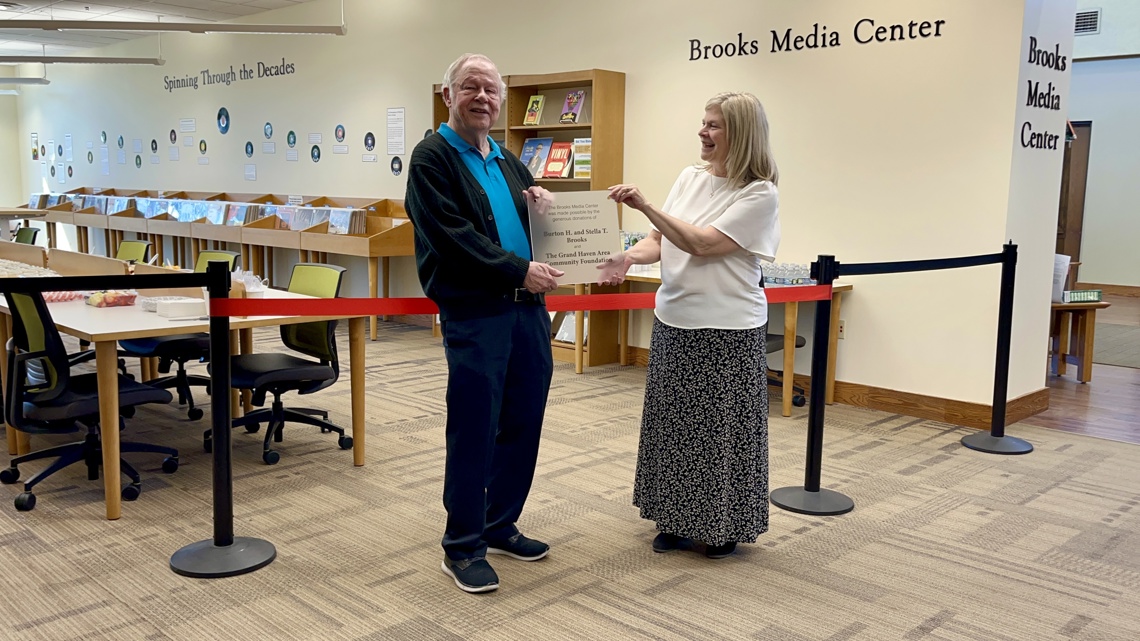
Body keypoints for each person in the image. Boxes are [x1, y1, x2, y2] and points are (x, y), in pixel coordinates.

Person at [405, 53, 564, 594]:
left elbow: (532, 228)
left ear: (501, 99)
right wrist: (519, 269)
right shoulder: (431, 158)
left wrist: (543, 206)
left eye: (491, 89)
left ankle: (500, 525)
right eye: (470, 87)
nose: (482, 97)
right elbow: (452, 237)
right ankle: (463, 546)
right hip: (477, 313)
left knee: (523, 420)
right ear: (448, 95)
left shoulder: (508, 160)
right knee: (475, 427)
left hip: (527, 311)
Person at [598, 92, 781, 559]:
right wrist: (627, 256)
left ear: (741, 134)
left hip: (727, 330)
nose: (703, 132)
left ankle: (721, 527)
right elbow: (659, 241)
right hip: (673, 320)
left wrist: (645, 205)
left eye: (714, 125)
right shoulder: (689, 178)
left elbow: (702, 243)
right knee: (673, 427)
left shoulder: (759, 193)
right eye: (704, 122)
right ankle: (673, 518)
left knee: (719, 432)